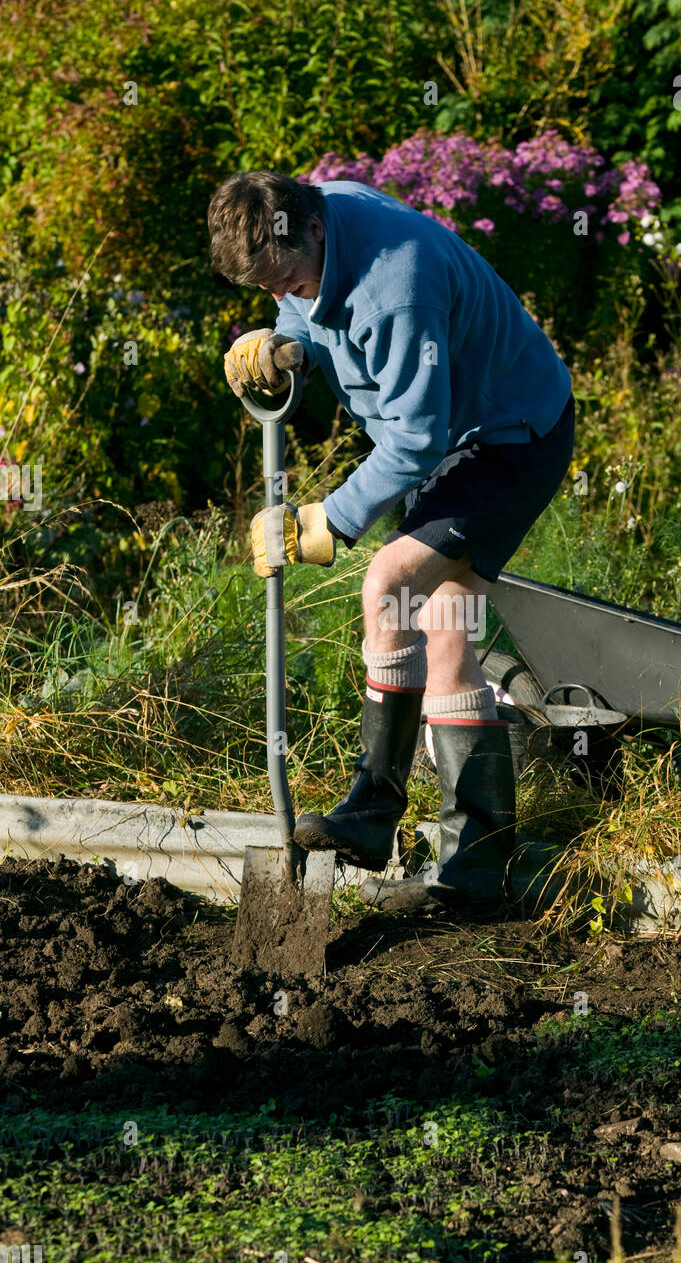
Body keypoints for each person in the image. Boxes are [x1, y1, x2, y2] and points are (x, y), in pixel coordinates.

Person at [208, 171, 574, 917]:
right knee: (444, 635)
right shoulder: (317, 212)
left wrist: (329, 522)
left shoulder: (396, 288)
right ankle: (473, 870)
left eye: (291, 281)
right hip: (453, 433)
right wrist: (286, 342)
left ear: (312, 229)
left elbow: (414, 439)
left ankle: (374, 812)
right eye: (270, 290)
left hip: (508, 437)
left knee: (389, 583)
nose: (290, 293)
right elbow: (311, 311)